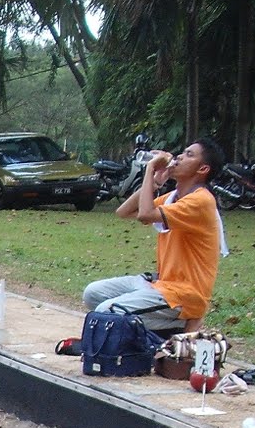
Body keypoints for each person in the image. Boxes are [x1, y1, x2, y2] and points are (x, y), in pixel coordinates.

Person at [81, 138, 226, 334]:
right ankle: (166, 327)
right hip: (162, 284)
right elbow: (124, 211)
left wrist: (149, 169)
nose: (179, 157)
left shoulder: (200, 201)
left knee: (107, 311)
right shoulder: (174, 197)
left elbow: (145, 214)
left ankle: (182, 325)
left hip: (185, 295)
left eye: (189, 155)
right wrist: (156, 180)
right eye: (182, 153)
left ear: (202, 169)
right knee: (93, 294)